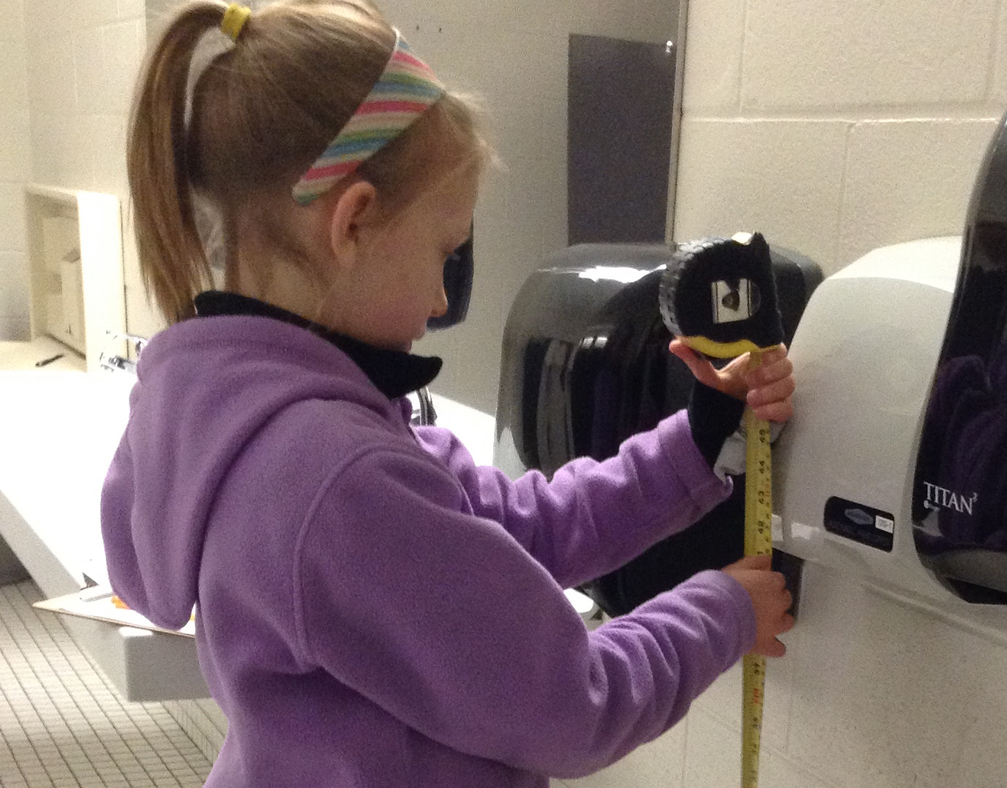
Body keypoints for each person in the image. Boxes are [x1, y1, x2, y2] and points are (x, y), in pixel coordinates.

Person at [99, 2, 796, 786]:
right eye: (444, 250)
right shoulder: (339, 477)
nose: (439, 299)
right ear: (354, 222)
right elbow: (569, 706)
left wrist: (696, 438)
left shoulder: (222, 413)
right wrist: (722, 612)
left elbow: (519, 528)